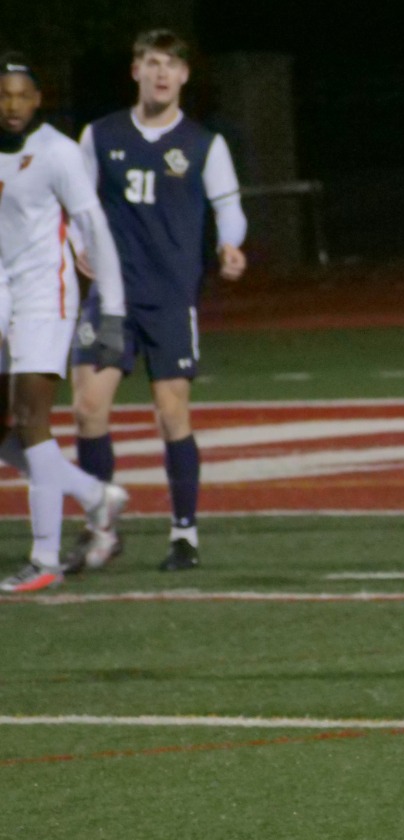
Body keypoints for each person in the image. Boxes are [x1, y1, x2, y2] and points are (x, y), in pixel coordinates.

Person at [68, 28, 249, 574]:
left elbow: (229, 205)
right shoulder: (99, 135)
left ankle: (184, 534)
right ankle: (101, 529)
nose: (162, 73)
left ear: (185, 75)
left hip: (171, 299)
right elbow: (76, 202)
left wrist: (231, 243)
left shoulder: (202, 144)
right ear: (136, 70)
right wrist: (81, 247)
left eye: (171, 64)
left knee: (172, 415)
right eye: (152, 63)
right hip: (112, 298)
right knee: (87, 409)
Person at [0, 55, 130, 594]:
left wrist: (113, 311)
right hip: (3, 296)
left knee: (31, 419)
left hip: (44, 298)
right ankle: (97, 496)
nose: (12, 104)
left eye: (22, 94)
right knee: (6, 429)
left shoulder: (56, 151)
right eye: (4, 95)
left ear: (38, 99)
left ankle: (46, 558)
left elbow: (93, 226)